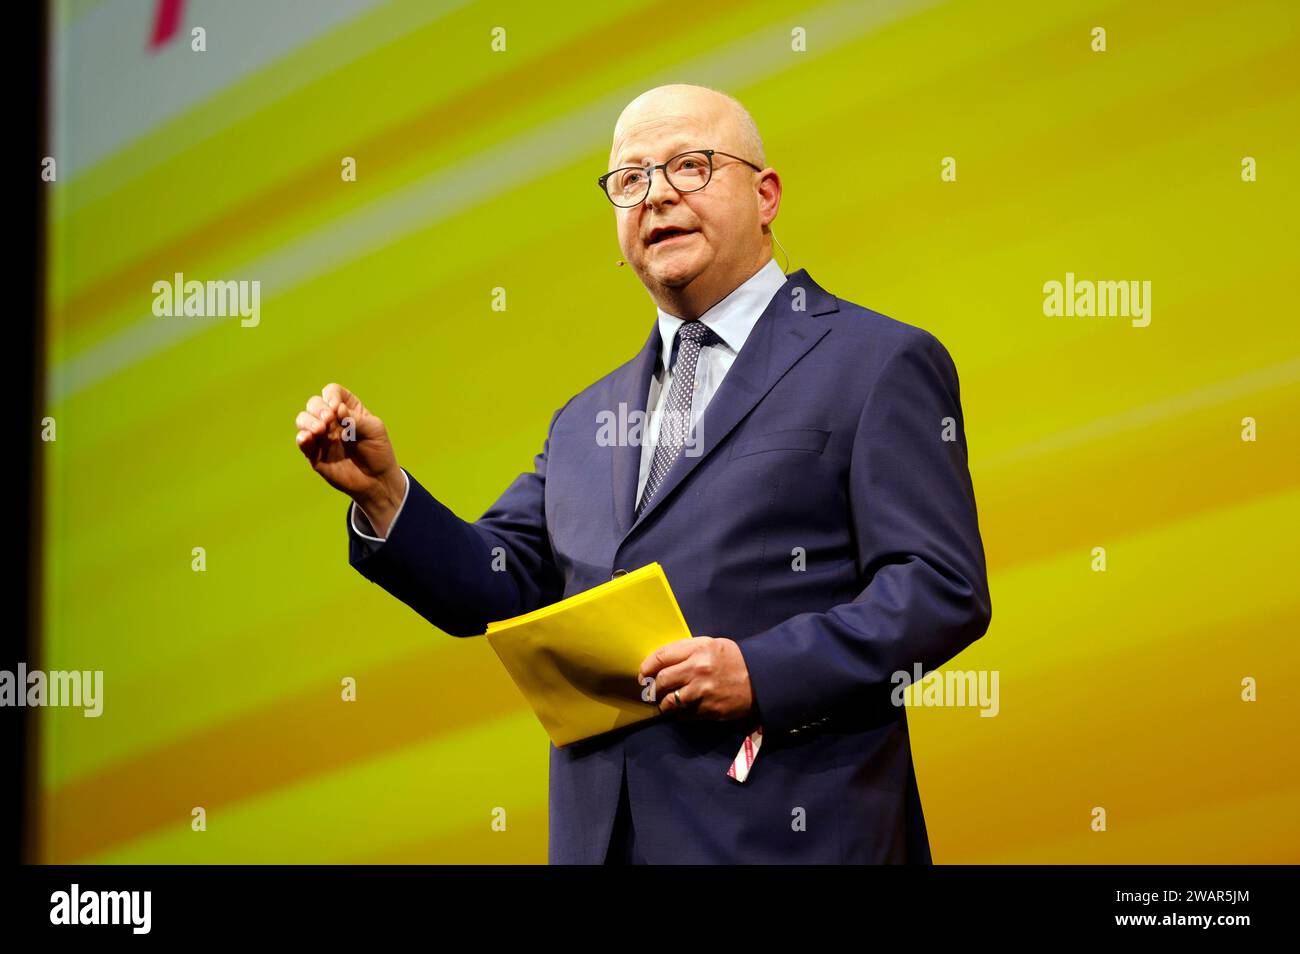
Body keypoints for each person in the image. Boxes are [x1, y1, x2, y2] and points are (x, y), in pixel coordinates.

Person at [293, 83, 991, 864]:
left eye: (690, 166)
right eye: (630, 180)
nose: (657, 196)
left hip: (796, 837)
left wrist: (759, 670)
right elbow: (496, 585)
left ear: (766, 196)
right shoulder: (585, 420)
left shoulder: (875, 361)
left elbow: (939, 589)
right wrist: (386, 494)